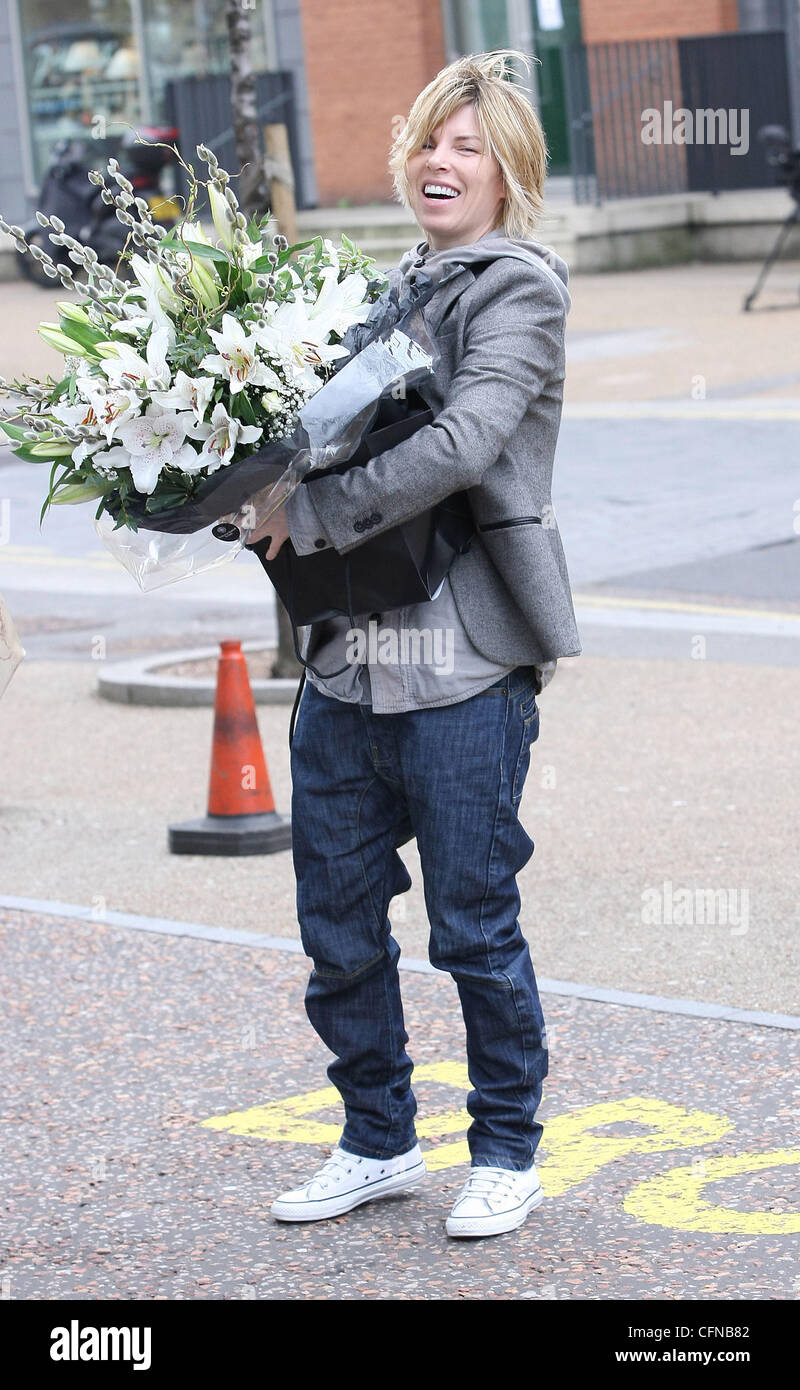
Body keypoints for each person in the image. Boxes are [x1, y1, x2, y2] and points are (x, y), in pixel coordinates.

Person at [248, 50, 582, 1238]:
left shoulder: (518, 291)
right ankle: (377, 1138)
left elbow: (464, 441)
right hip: (345, 659)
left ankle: (505, 1148)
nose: (441, 164)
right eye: (429, 143)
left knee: (470, 923)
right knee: (336, 924)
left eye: (468, 148)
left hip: (461, 666)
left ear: (506, 176)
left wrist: (310, 513)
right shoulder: (378, 288)